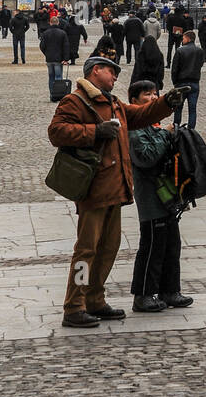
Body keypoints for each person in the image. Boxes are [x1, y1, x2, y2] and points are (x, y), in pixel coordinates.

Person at [48, 55, 186, 327]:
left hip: (114, 189)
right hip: (93, 190)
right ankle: (74, 306)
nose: (115, 77)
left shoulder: (112, 103)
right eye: (111, 72)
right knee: (86, 251)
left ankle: (95, 299)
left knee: (109, 248)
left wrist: (166, 102)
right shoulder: (75, 101)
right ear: (95, 71)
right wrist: (95, 131)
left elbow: (140, 114)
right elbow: (57, 132)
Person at [127, 80, 193, 313]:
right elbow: (146, 157)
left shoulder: (151, 124)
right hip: (150, 196)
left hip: (165, 194)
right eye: (148, 95)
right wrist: (165, 135)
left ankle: (169, 290)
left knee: (171, 244)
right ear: (134, 101)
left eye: (156, 93)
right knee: (152, 246)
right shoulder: (135, 127)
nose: (154, 97)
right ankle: (143, 294)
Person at [170, 28, 205, 129]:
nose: (182, 40)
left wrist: (175, 82)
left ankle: (176, 126)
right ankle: (191, 129)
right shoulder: (199, 51)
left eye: (184, 38)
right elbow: (200, 64)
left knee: (178, 107)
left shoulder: (180, 50)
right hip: (194, 82)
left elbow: (174, 68)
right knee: (192, 108)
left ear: (189, 39)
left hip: (181, 82)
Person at [40, 14, 71, 98]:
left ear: (50, 23)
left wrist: (46, 53)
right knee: (58, 77)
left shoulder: (45, 33)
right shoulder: (62, 33)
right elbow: (66, 46)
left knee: (51, 77)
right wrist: (66, 59)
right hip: (58, 59)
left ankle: (52, 94)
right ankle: (58, 94)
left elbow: (42, 46)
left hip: (49, 59)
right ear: (58, 23)